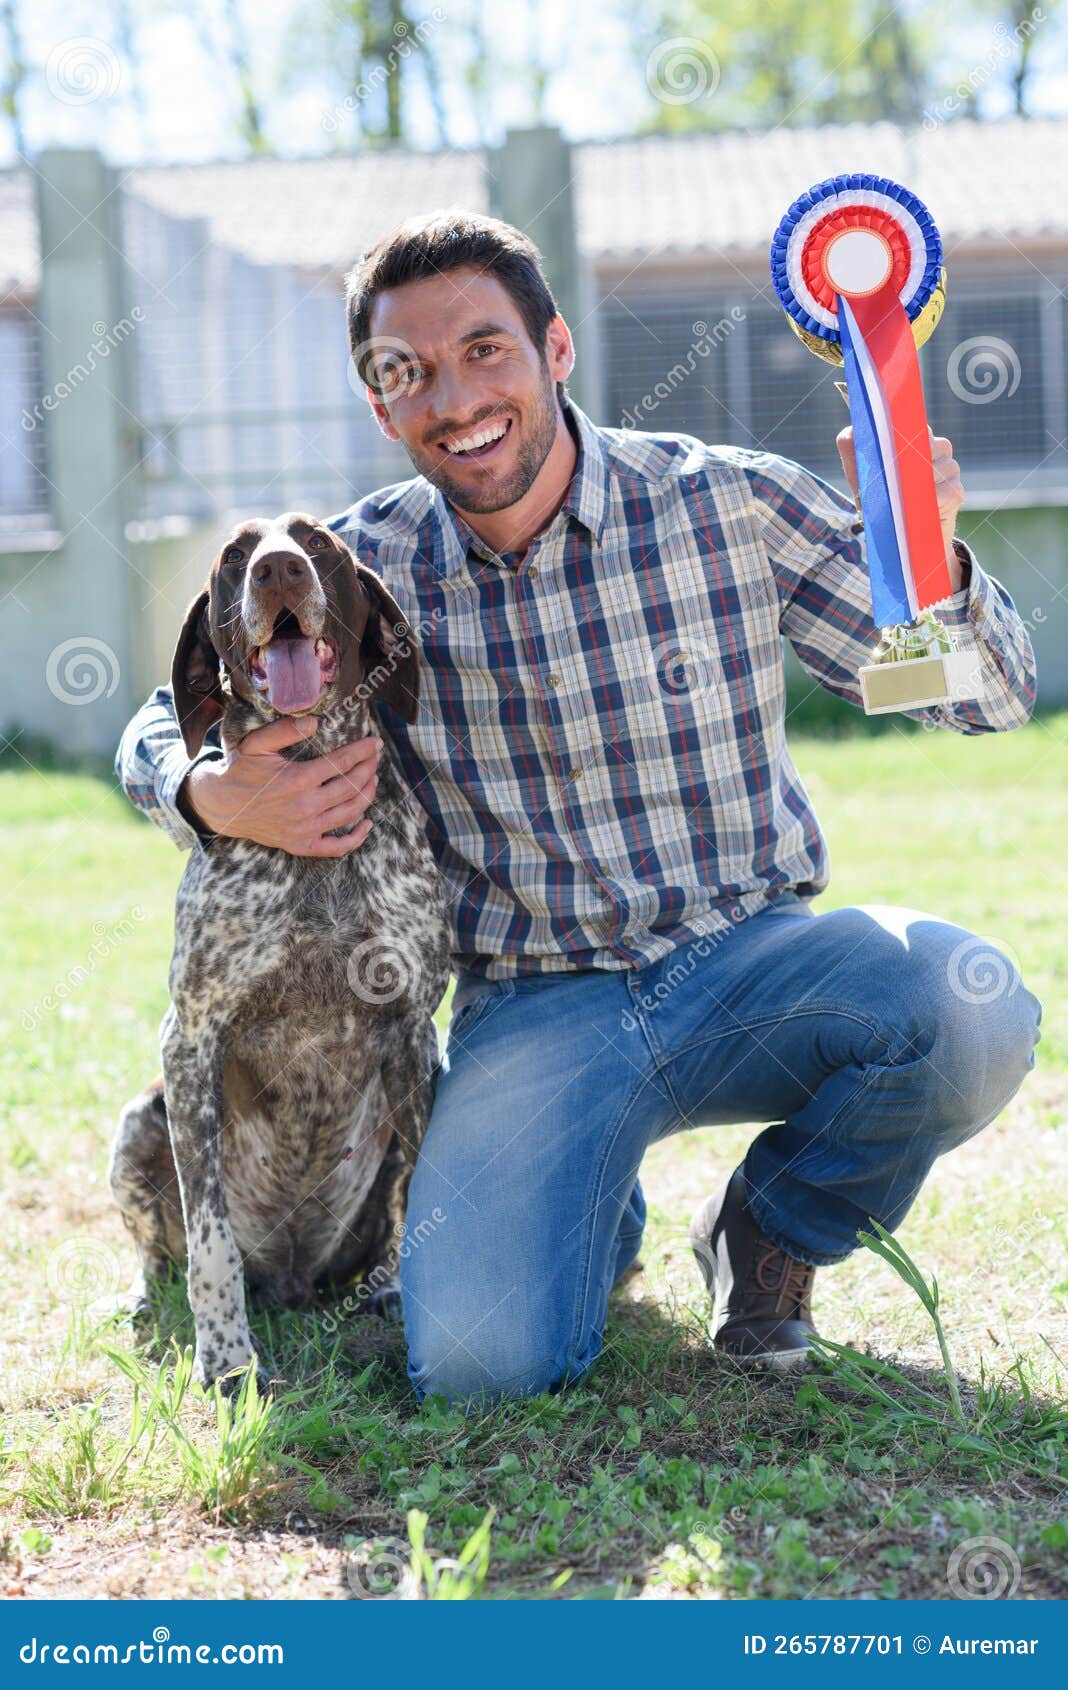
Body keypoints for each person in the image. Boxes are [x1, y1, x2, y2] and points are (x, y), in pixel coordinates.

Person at [116, 210, 1042, 1401]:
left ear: (556, 349)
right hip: (536, 1014)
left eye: (485, 350)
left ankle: (769, 1229)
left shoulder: (727, 503)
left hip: (752, 965)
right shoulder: (361, 568)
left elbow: (980, 697)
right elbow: (159, 717)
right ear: (380, 405)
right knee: (483, 1364)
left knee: (970, 1012)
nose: (455, 398)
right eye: (410, 373)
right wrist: (212, 791)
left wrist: (936, 561)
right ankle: (584, 1203)